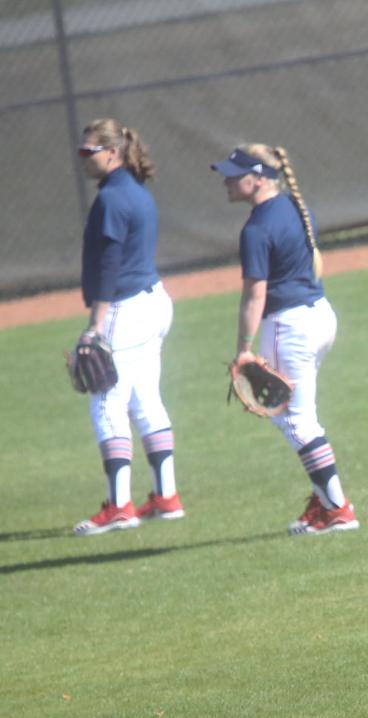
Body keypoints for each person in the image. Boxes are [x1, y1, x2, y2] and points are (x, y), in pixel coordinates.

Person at [211, 144, 357, 535]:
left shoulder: (256, 229)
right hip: (320, 316)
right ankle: (323, 503)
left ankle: (338, 508)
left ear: (258, 178)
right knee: (303, 415)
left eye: (233, 174)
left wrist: (243, 350)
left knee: (295, 421)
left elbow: (254, 295)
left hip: (289, 327)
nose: (226, 181)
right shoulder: (295, 206)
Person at [73, 119, 184, 536]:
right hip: (153, 302)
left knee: (107, 403)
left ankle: (120, 506)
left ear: (112, 153)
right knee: (145, 398)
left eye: (90, 151)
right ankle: (166, 496)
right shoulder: (135, 191)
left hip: (123, 308)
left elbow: (108, 267)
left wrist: (94, 326)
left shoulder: (111, 200)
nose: (84, 158)